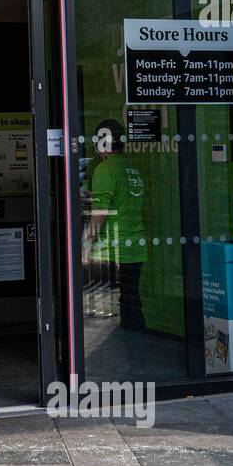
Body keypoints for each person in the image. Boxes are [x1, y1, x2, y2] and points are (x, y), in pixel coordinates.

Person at [83, 118, 147, 331]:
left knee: (104, 306)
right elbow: (122, 200)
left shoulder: (104, 169)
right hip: (136, 247)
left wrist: (87, 243)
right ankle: (138, 349)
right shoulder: (133, 168)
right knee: (131, 299)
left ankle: (121, 351)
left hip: (111, 250)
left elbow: (99, 212)